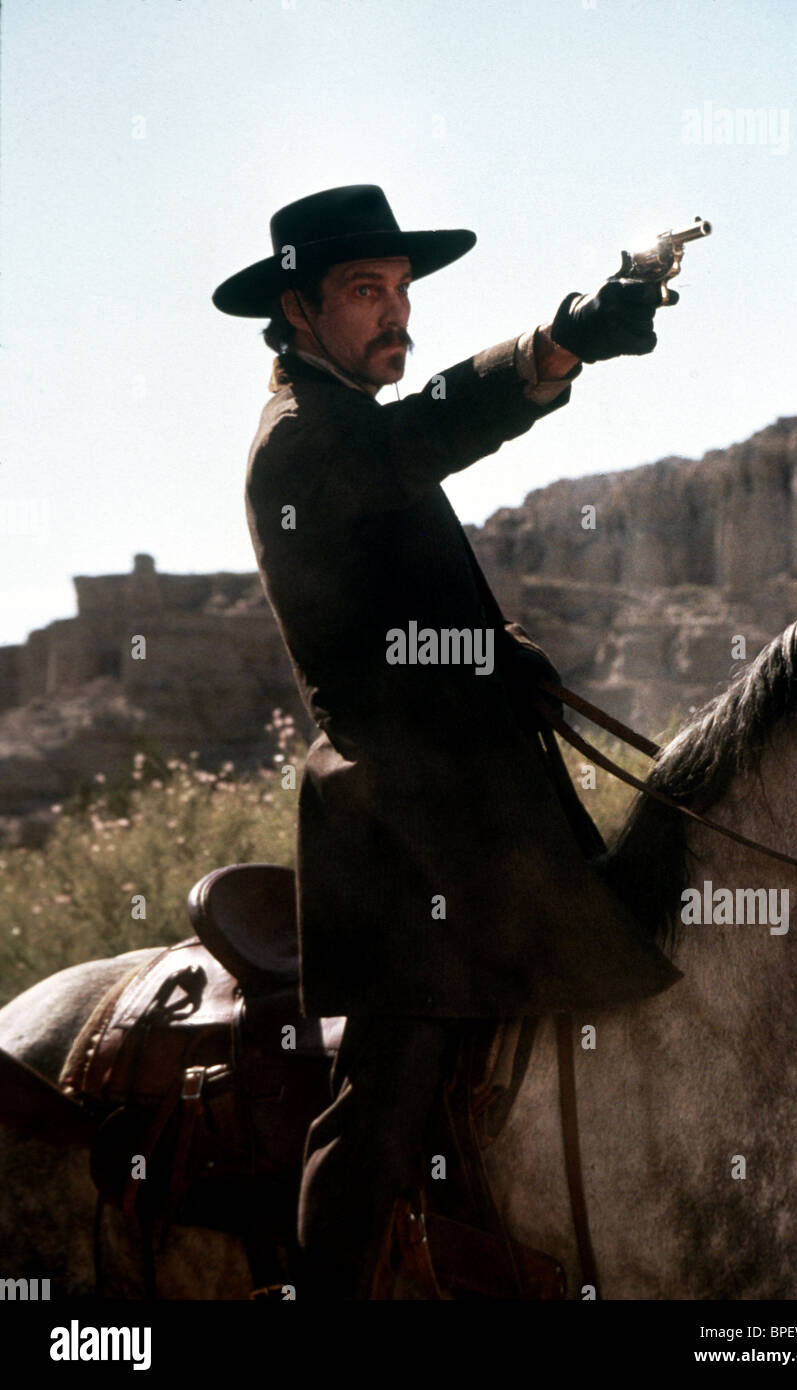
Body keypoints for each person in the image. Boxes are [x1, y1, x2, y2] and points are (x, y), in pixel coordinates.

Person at [212, 184, 682, 1298]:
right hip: (400, 822)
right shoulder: (300, 442)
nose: (395, 314)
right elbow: (433, 427)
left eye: (402, 292)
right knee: (387, 1088)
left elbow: (404, 579)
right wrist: (559, 341)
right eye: (366, 292)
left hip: (483, 794)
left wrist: (495, 650)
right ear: (299, 308)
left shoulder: (351, 427)